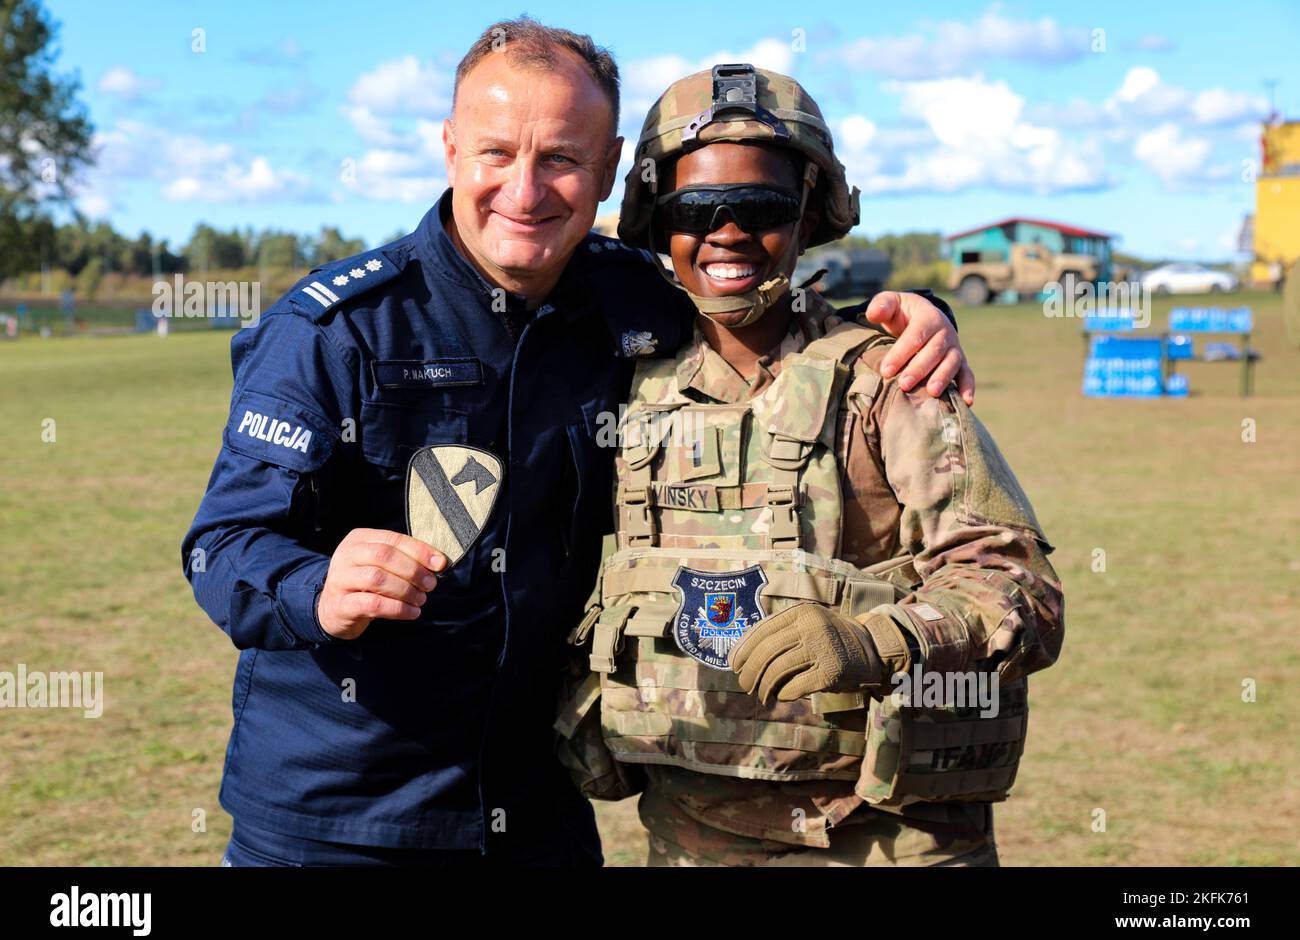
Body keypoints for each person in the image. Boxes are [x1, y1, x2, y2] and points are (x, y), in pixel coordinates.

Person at [183, 19, 971, 867]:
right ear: (450, 150)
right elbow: (220, 548)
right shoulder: (334, 331)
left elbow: (768, 308)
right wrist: (314, 587)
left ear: (607, 166)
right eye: (495, 153)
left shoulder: (636, 303)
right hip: (340, 822)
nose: (524, 192)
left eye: (559, 157)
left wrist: (917, 318)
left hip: (540, 807)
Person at [556, 64, 1065, 866]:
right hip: (688, 838)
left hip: (883, 842)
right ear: (659, 223)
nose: (726, 231)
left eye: (760, 207)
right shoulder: (621, 384)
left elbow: (1020, 589)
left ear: (807, 218)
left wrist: (877, 642)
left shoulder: (892, 382)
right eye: (695, 208)